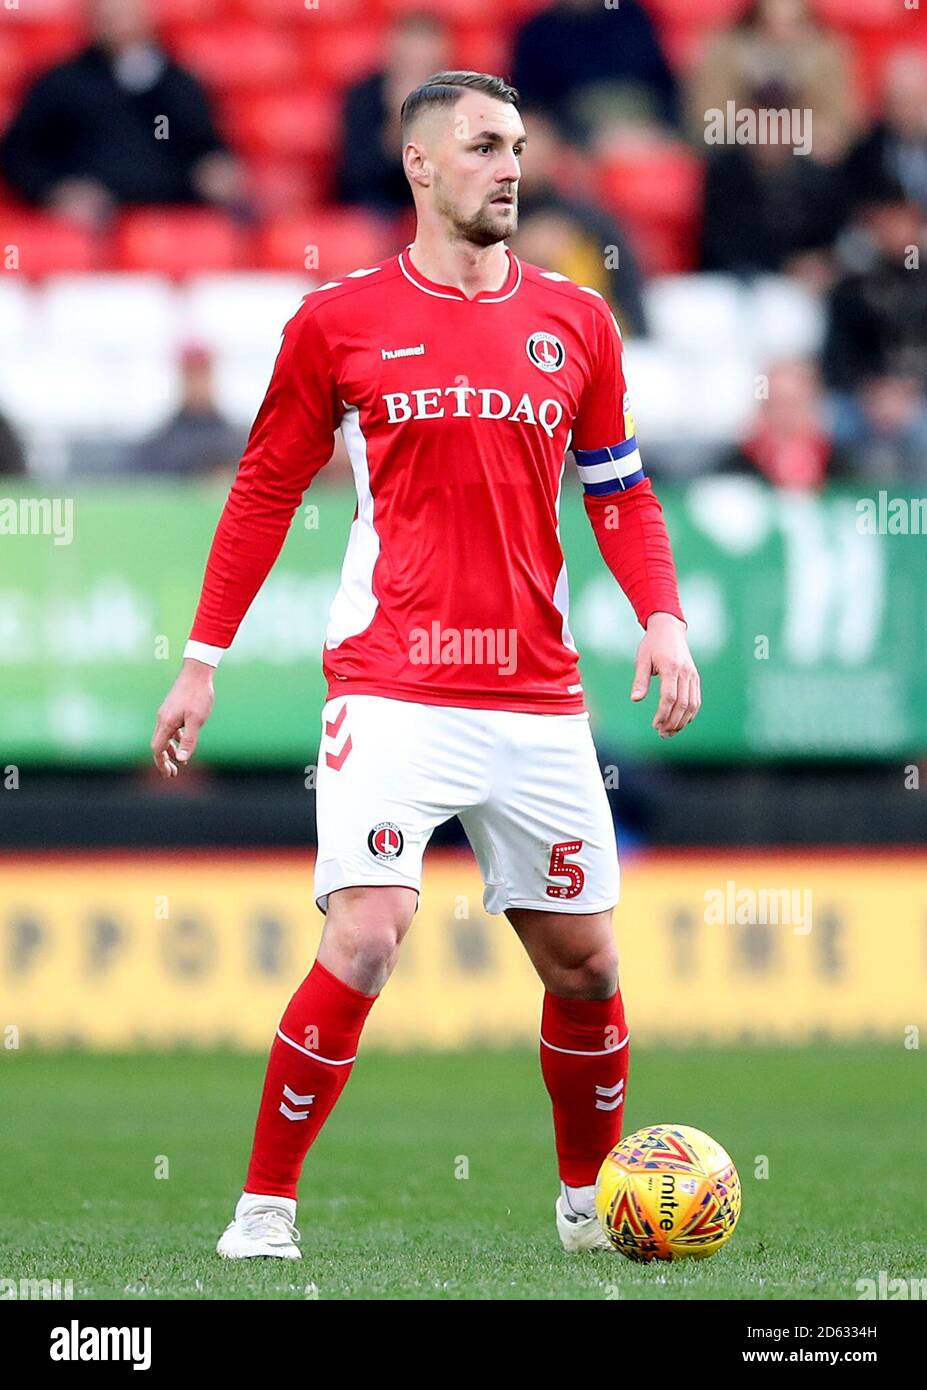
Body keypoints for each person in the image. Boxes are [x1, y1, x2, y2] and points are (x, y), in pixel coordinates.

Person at [151, 71, 699, 1262]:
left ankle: (583, 1202)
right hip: (392, 681)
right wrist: (201, 661)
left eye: (518, 145)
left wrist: (661, 616)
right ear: (419, 165)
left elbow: (620, 489)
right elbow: (263, 490)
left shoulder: (578, 321)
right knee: (368, 929)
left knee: (589, 962)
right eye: (486, 145)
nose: (511, 166)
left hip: (537, 693)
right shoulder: (337, 323)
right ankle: (262, 1212)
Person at [0, 0, 243, 226]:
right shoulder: (61, 83)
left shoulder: (178, 82)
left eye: (126, 14)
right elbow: (18, 153)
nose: (119, 23)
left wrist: (216, 168)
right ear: (91, 21)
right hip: (92, 224)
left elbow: (204, 146)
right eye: (109, 15)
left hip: (172, 216)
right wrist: (54, 191)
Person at [336, 12, 450, 217]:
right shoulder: (363, 96)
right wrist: (398, 124)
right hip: (378, 206)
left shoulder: (460, 97)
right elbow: (356, 175)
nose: (416, 60)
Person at [512, 0, 678, 138]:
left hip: (645, 128)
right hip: (572, 138)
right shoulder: (537, 31)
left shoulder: (634, 17)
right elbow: (532, 106)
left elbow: (664, 86)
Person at [131, 346, 245, 479]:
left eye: (203, 373)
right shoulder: (158, 447)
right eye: (191, 375)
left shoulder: (238, 443)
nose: (197, 382)